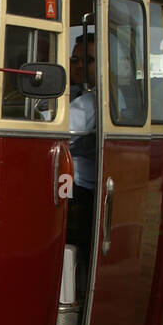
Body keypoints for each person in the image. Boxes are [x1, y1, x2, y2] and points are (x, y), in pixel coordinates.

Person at [67, 31, 96, 289]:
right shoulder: (78, 94)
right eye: (74, 59)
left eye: (86, 60)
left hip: (79, 189)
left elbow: (59, 132)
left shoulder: (90, 102)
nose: (78, 66)